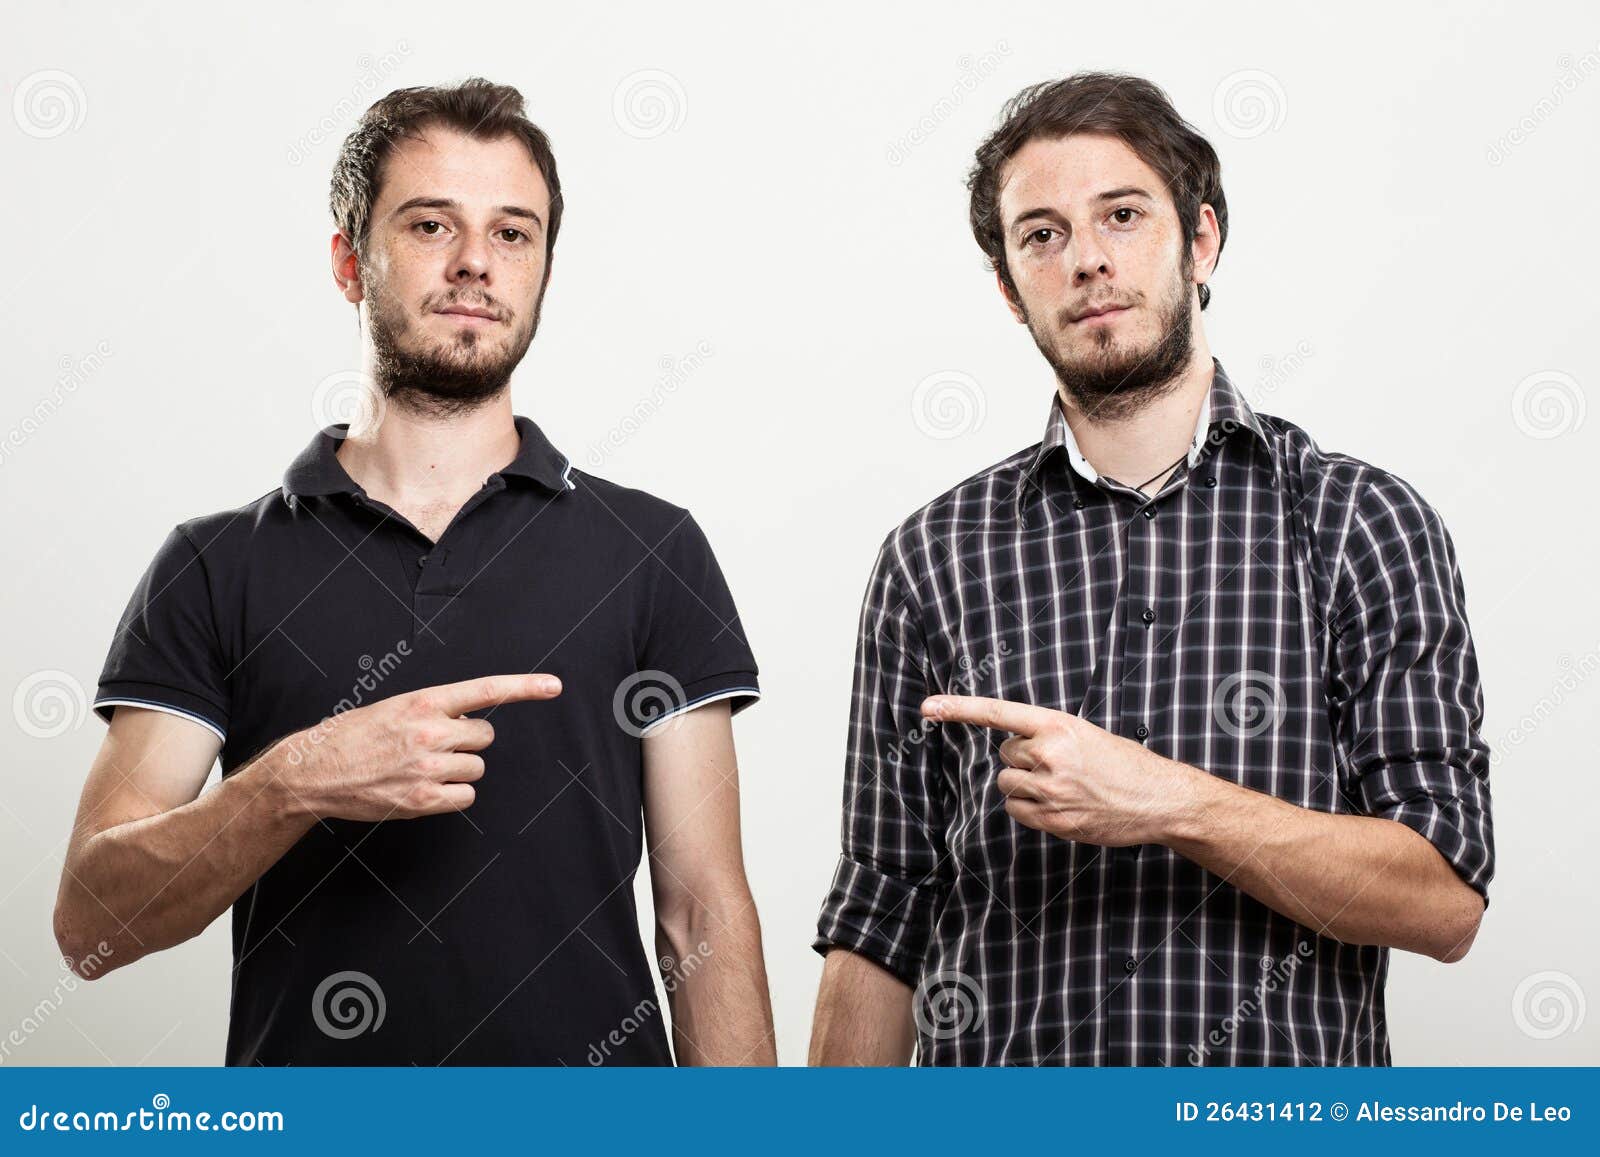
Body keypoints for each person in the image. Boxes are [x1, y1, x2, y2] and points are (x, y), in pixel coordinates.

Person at [54, 78, 775, 1067]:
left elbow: (701, 915)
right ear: (351, 260)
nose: (476, 261)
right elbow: (92, 920)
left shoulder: (652, 550)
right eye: (432, 223)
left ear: (543, 269)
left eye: (513, 233)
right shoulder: (215, 565)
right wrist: (290, 781)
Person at [809, 72, 1492, 1066]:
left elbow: (1442, 901)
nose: (1086, 258)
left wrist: (1164, 800)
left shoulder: (1359, 522)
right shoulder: (933, 554)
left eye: (1120, 215)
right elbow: (881, 910)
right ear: (1009, 287)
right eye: (1040, 234)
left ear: (1201, 240)